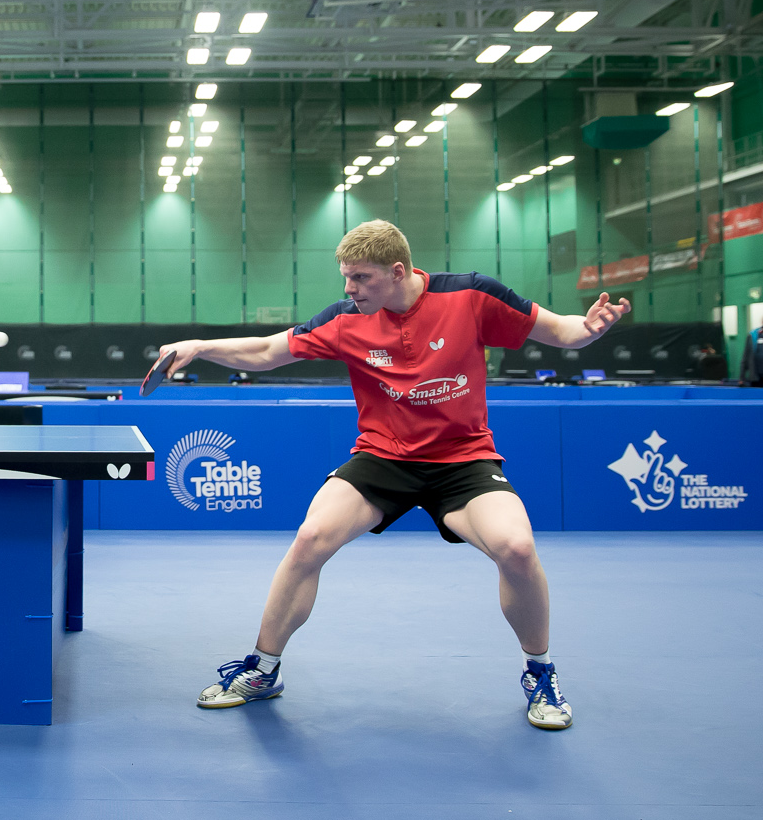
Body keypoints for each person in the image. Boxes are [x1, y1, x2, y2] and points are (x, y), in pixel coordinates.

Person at [162, 220, 630, 732]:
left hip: (463, 460)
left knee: (516, 548)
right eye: (346, 276)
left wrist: (590, 328)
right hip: (382, 458)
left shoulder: (471, 296)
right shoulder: (345, 319)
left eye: (361, 277)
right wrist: (200, 346)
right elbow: (269, 352)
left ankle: (539, 672)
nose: (350, 288)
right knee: (311, 538)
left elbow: (561, 331)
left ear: (398, 271)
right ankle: (262, 669)